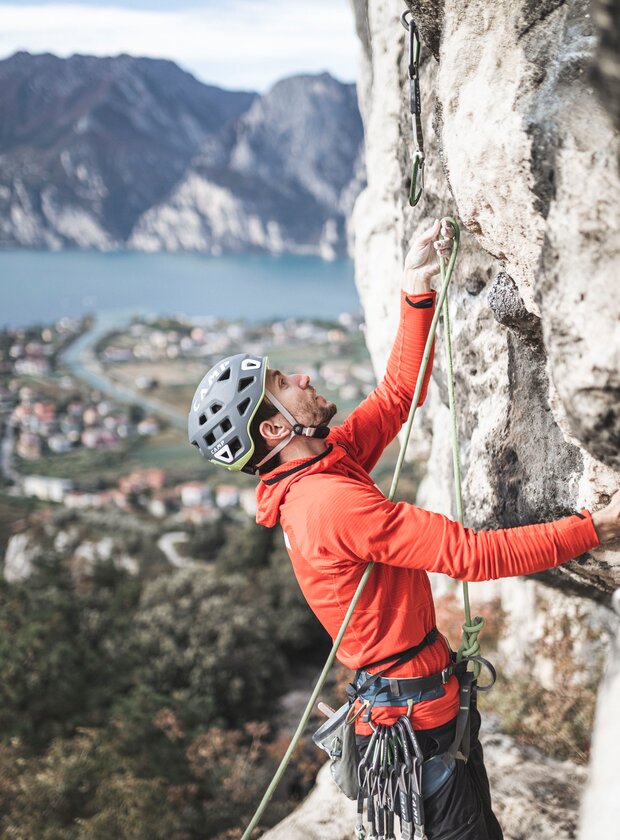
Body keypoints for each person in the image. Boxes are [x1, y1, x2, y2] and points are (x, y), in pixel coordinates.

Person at [188, 219, 619, 840]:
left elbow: (396, 395)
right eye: (284, 384)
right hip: (416, 717)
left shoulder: (324, 465)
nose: (303, 378)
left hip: (419, 701)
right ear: (275, 430)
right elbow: (468, 554)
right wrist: (593, 530)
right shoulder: (330, 504)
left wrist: (417, 286)